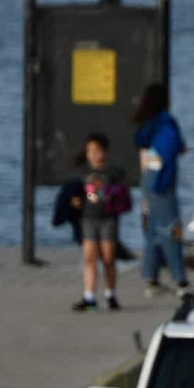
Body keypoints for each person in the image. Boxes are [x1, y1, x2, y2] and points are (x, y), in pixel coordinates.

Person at [133, 83, 191, 297]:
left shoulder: (145, 124)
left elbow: (142, 151)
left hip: (147, 176)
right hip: (163, 179)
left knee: (152, 229)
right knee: (171, 228)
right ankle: (180, 280)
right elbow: (178, 147)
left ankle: (151, 277)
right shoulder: (167, 122)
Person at [69, 133, 130, 312]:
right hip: (88, 217)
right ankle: (89, 296)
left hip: (108, 218)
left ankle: (110, 294)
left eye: (97, 150)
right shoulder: (83, 172)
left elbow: (124, 194)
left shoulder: (114, 172)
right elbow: (78, 192)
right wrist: (76, 201)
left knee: (108, 257)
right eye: (90, 151)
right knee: (89, 257)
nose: (94, 154)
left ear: (105, 151)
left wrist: (112, 195)